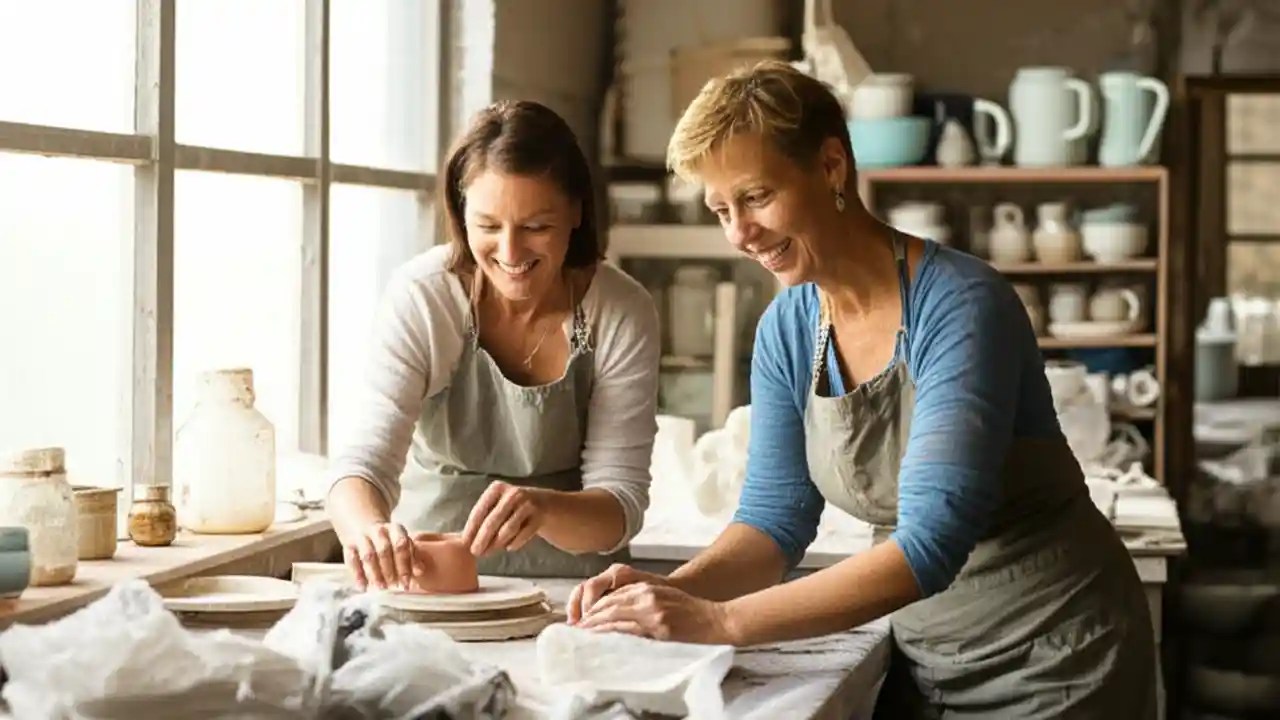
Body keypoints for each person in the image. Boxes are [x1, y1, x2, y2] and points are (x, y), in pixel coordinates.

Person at [568, 61, 1156, 718]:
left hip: (1056, 659)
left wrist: (719, 623)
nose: (739, 233)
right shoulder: (787, 329)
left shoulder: (961, 305)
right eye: (721, 210)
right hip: (925, 658)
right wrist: (666, 596)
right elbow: (773, 523)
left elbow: (930, 544)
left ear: (830, 166)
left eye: (756, 197)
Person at [326, 100, 660, 591]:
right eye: (487, 226)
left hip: (575, 594)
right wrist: (369, 533)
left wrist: (542, 507)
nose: (510, 253)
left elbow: (620, 504)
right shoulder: (425, 295)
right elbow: (363, 465)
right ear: (462, 217)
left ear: (576, 213)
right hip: (429, 585)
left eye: (535, 227)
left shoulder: (620, 309)